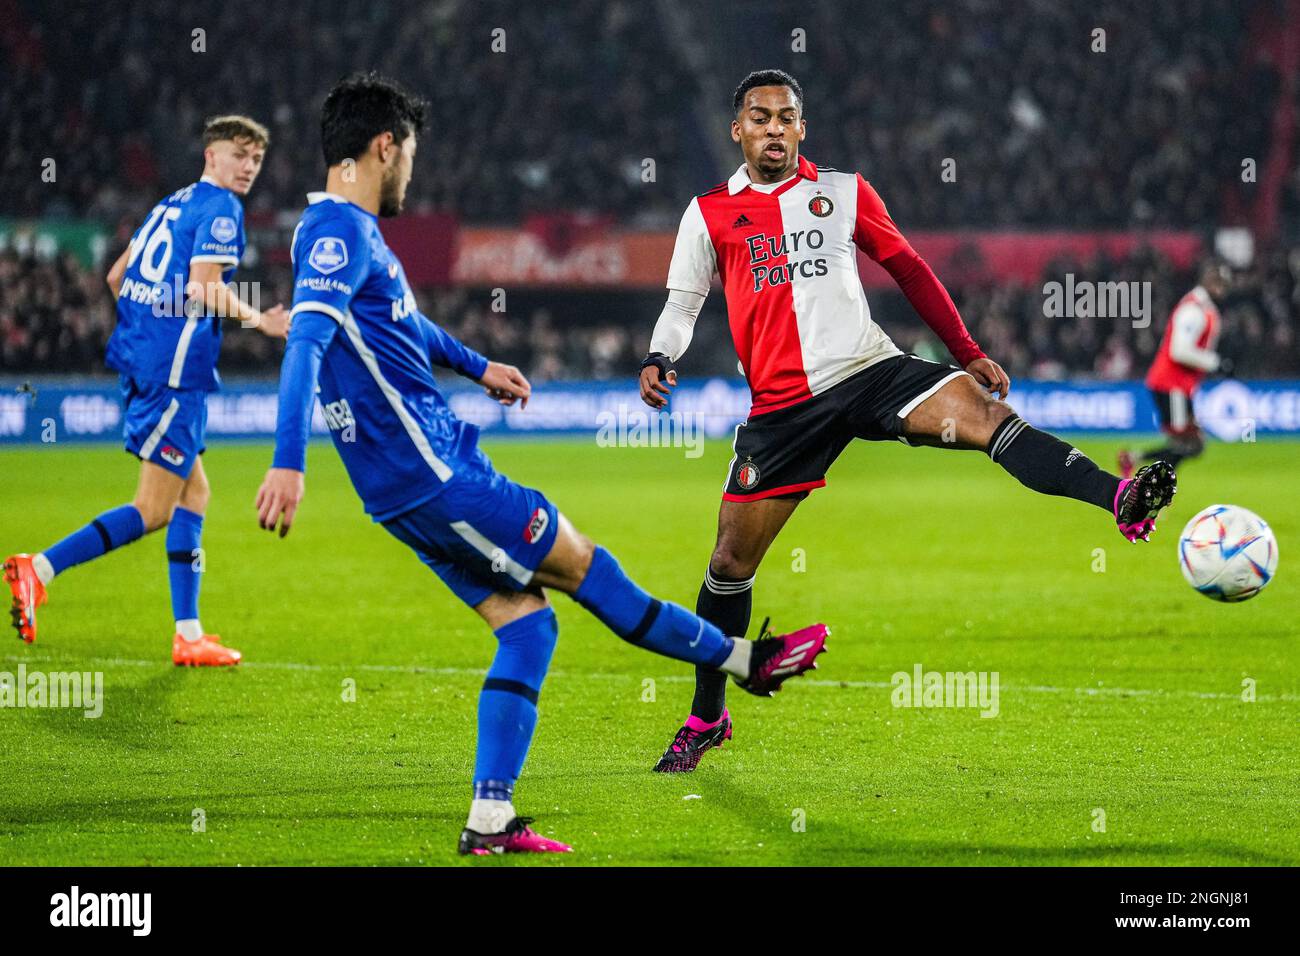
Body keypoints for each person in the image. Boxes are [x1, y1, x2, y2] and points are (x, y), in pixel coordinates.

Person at [254, 72, 828, 855]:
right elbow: (307, 343)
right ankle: (745, 662)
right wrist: (289, 462)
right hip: (436, 474)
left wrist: (479, 364)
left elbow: (406, 330)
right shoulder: (340, 237)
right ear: (385, 147)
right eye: (409, 156)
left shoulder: (327, 233)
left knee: (527, 628)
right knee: (585, 565)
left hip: (402, 489)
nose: (411, 174)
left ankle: (489, 819)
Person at [637, 69, 1177, 773]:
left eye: (786, 118)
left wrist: (968, 352)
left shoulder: (844, 193)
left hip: (871, 372)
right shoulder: (707, 213)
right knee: (728, 564)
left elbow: (910, 268)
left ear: (804, 128)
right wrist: (659, 356)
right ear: (737, 129)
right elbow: (683, 307)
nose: (774, 129)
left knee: (987, 418)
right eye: (759, 118)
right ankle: (709, 715)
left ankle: (1119, 498)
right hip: (783, 411)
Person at [5, 116, 289, 665]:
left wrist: (145, 333)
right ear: (212, 155)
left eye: (257, 159)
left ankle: (188, 635)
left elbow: (116, 277)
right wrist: (263, 321)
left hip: (151, 365)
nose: (249, 167)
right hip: (172, 377)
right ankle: (38, 568)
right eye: (240, 155)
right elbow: (203, 290)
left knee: (195, 494)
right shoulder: (222, 211)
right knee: (153, 509)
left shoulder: (171, 203)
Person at [1120, 262, 1231, 477]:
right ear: (1208, 281)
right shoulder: (1194, 309)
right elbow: (1179, 351)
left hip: (1180, 385)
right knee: (1185, 443)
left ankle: (1135, 462)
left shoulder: (1201, 307)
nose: (1223, 290)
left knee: (1192, 444)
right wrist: (1214, 363)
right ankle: (1148, 491)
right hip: (1172, 384)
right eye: (1220, 284)